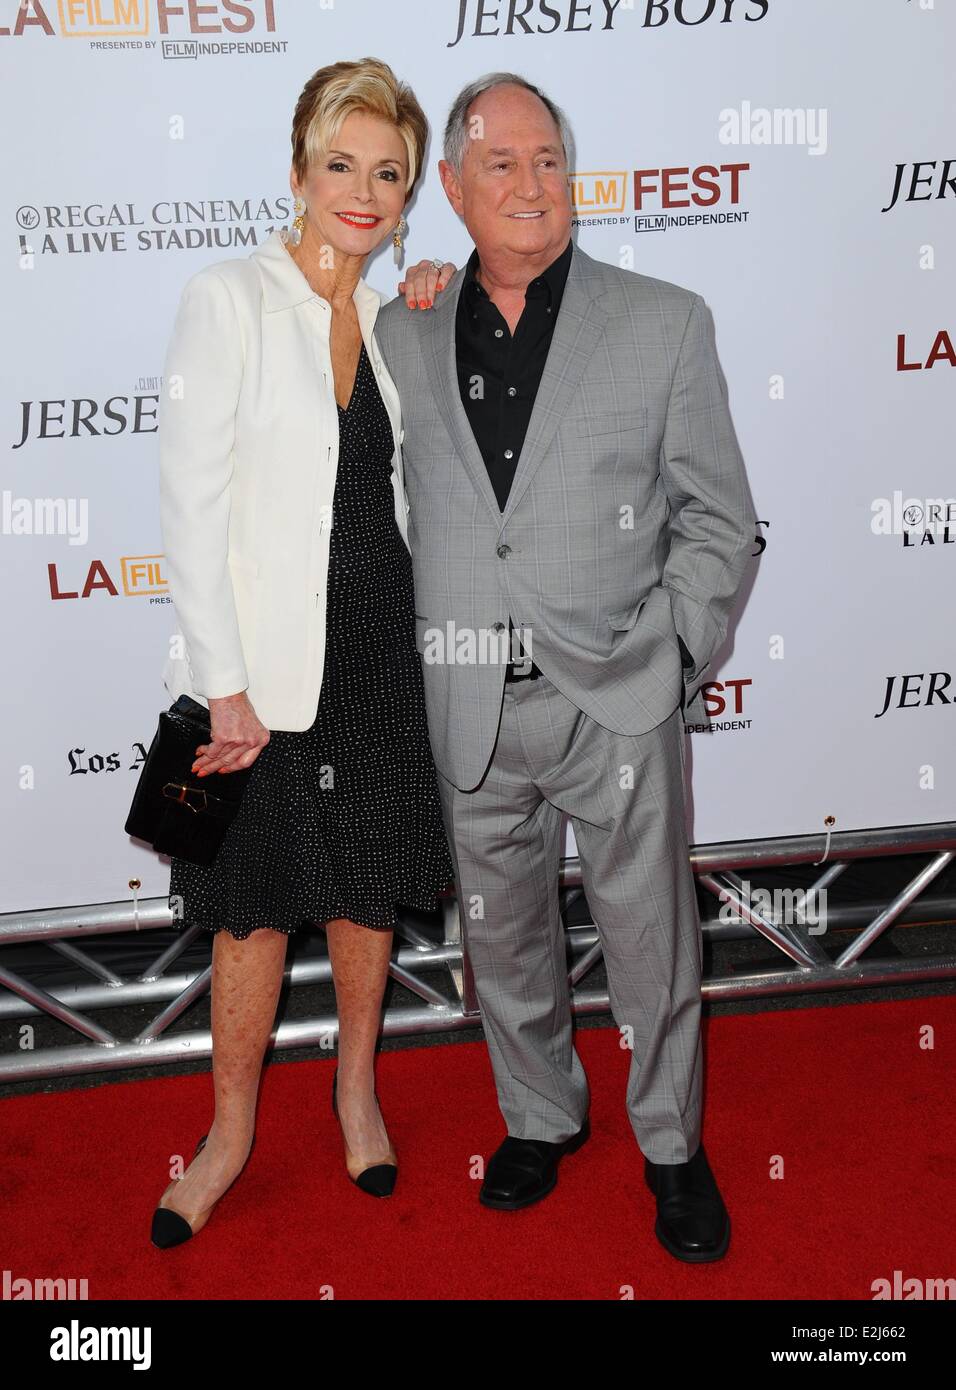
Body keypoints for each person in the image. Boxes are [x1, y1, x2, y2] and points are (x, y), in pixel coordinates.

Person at [373, 72, 754, 1263]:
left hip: (617, 699)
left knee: (652, 943)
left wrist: (676, 650)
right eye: (500, 163)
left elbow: (719, 521)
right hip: (471, 704)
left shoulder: (663, 320)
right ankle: (538, 1117)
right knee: (505, 942)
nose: (531, 184)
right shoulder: (404, 328)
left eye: (549, 160)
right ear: (450, 188)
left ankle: (671, 1148)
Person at [150, 57, 457, 1247]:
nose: (364, 192)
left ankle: (356, 1089)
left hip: (381, 646)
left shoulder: (393, 315)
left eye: (388, 172)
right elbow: (188, 503)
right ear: (296, 173)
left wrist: (427, 299)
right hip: (257, 676)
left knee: (370, 884)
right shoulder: (226, 297)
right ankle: (227, 1132)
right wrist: (219, 684)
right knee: (252, 910)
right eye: (341, 165)